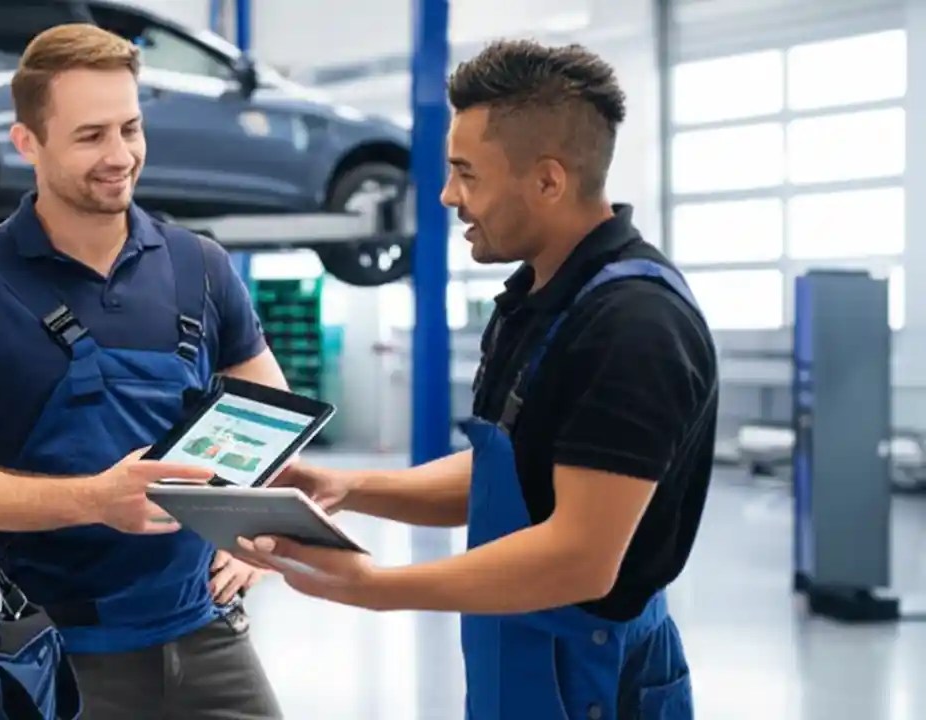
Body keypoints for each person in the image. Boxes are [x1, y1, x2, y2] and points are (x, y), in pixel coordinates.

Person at [237, 39, 720, 720]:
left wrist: (377, 586)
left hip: (593, 678)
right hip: (519, 655)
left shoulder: (634, 326)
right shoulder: (535, 300)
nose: (447, 196)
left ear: (548, 181)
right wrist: (352, 487)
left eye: (467, 174)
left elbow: (581, 558)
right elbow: (515, 473)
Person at [0, 23, 287, 719]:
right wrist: (94, 500)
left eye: (130, 129)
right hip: (55, 658)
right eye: (90, 136)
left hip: (208, 638)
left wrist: (255, 531)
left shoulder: (199, 265)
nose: (119, 155)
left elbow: (270, 412)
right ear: (27, 143)